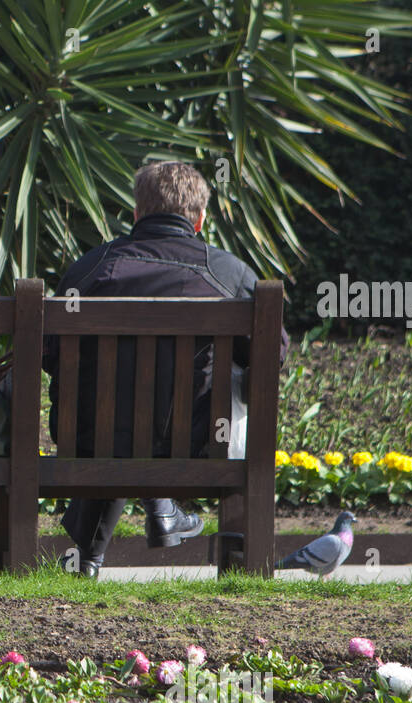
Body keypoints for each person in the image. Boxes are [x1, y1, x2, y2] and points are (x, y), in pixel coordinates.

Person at [44, 161, 289, 577]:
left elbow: (49, 354)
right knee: (236, 381)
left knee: (115, 403)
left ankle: (88, 558)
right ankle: (230, 552)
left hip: (90, 438)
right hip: (197, 444)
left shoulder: (92, 267)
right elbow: (272, 357)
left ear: (137, 212)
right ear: (200, 218)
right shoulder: (229, 273)